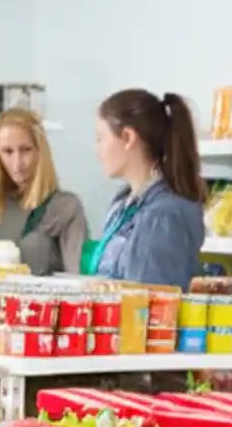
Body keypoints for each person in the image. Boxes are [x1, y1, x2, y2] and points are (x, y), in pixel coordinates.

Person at [86, 88, 206, 289]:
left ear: (127, 138)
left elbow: (148, 306)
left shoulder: (163, 214)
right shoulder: (123, 202)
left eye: (100, 138)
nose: (97, 151)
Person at [0, 108, 86, 274]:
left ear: (40, 151)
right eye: (8, 152)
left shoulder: (65, 207)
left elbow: (79, 280)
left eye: (25, 150)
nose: (17, 163)